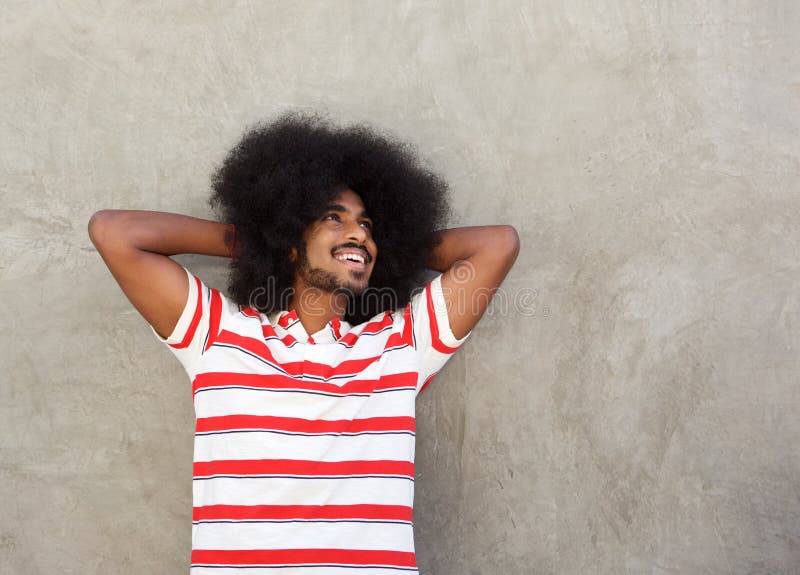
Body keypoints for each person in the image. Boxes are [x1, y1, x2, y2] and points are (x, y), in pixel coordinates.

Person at [88, 110, 519, 574]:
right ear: (291, 238)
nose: (359, 232)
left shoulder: (401, 346)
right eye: (334, 218)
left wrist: (388, 248)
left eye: (367, 226)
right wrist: (264, 240)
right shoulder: (219, 336)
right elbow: (115, 232)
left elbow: (498, 244)